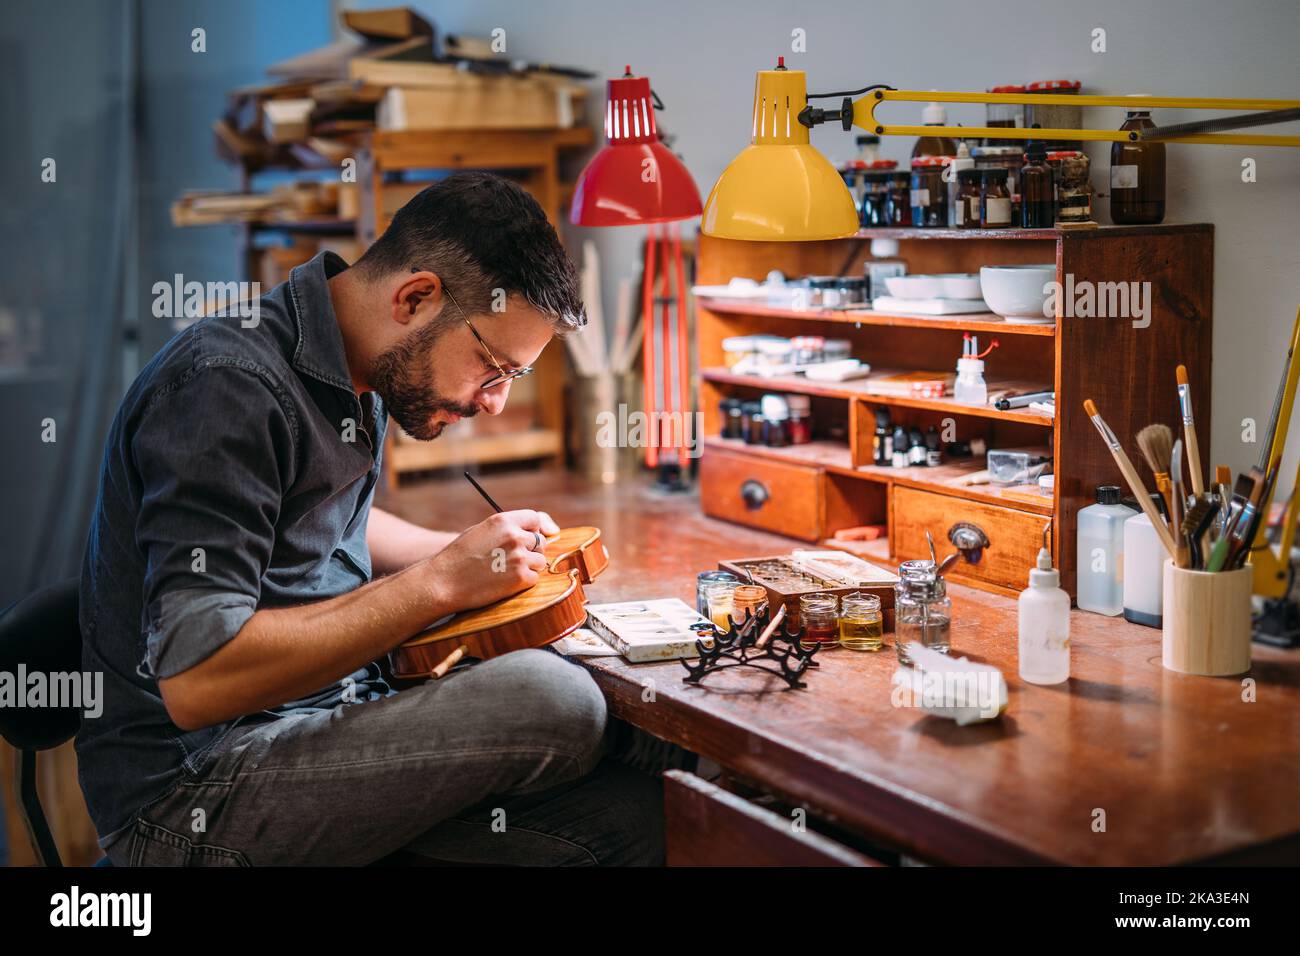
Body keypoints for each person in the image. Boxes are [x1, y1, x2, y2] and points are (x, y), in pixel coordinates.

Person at [78, 172, 664, 866]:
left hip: (321, 719)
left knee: (650, 807)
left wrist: (472, 554)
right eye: (493, 367)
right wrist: (441, 582)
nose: (496, 402)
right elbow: (198, 675)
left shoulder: (361, 367)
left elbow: (324, 522)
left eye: (514, 377)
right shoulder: (224, 388)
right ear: (415, 298)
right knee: (556, 699)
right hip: (193, 795)